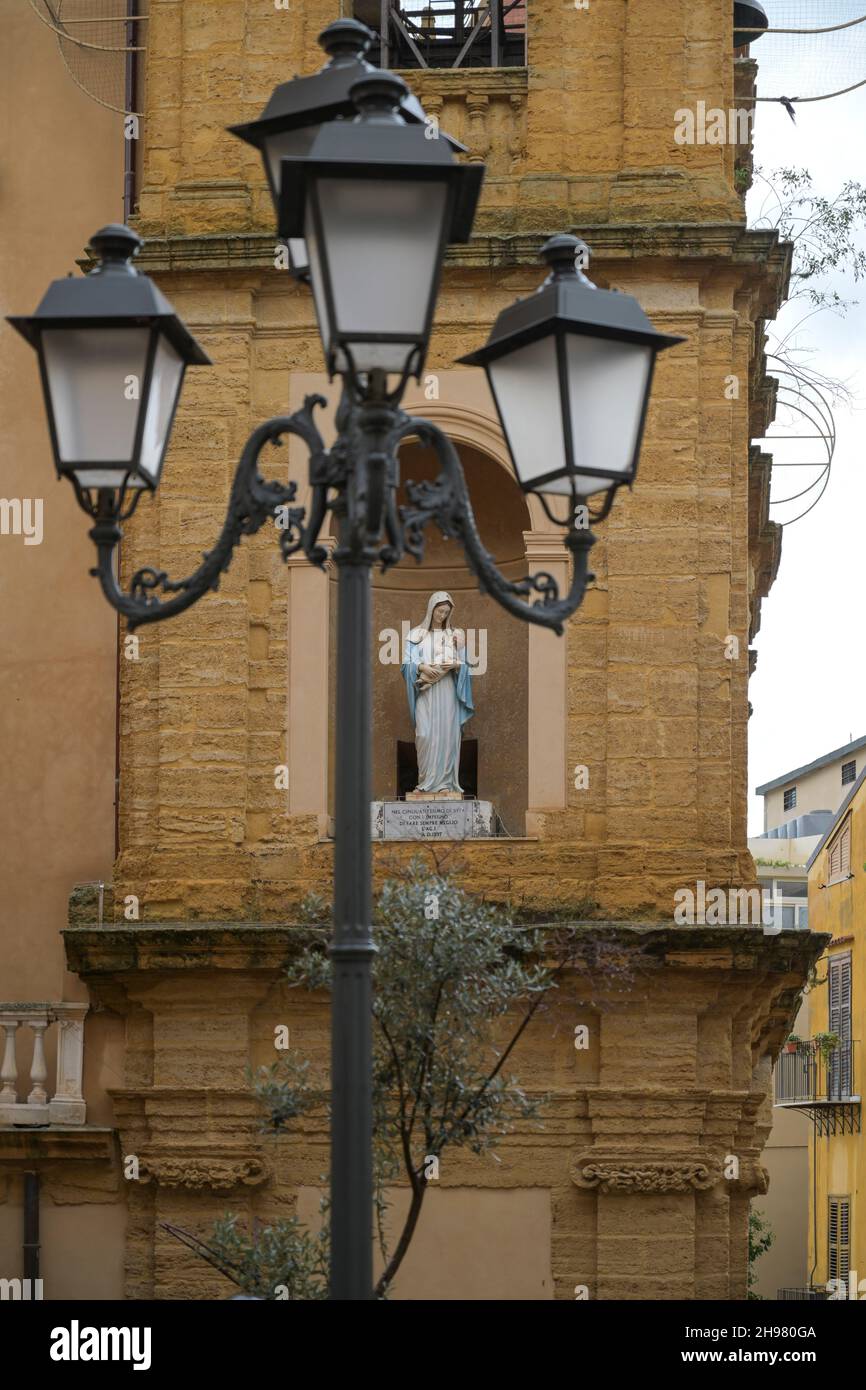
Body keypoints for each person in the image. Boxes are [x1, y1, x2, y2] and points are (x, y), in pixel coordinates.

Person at [401, 590, 474, 794]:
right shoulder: (416, 635)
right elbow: (406, 663)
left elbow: (466, 665)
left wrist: (456, 666)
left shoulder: (455, 635)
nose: (442, 616)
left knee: (447, 735)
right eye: (439, 611)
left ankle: (445, 784)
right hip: (426, 692)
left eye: (446, 612)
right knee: (423, 734)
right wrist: (422, 668)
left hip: (448, 690)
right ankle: (424, 783)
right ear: (431, 609)